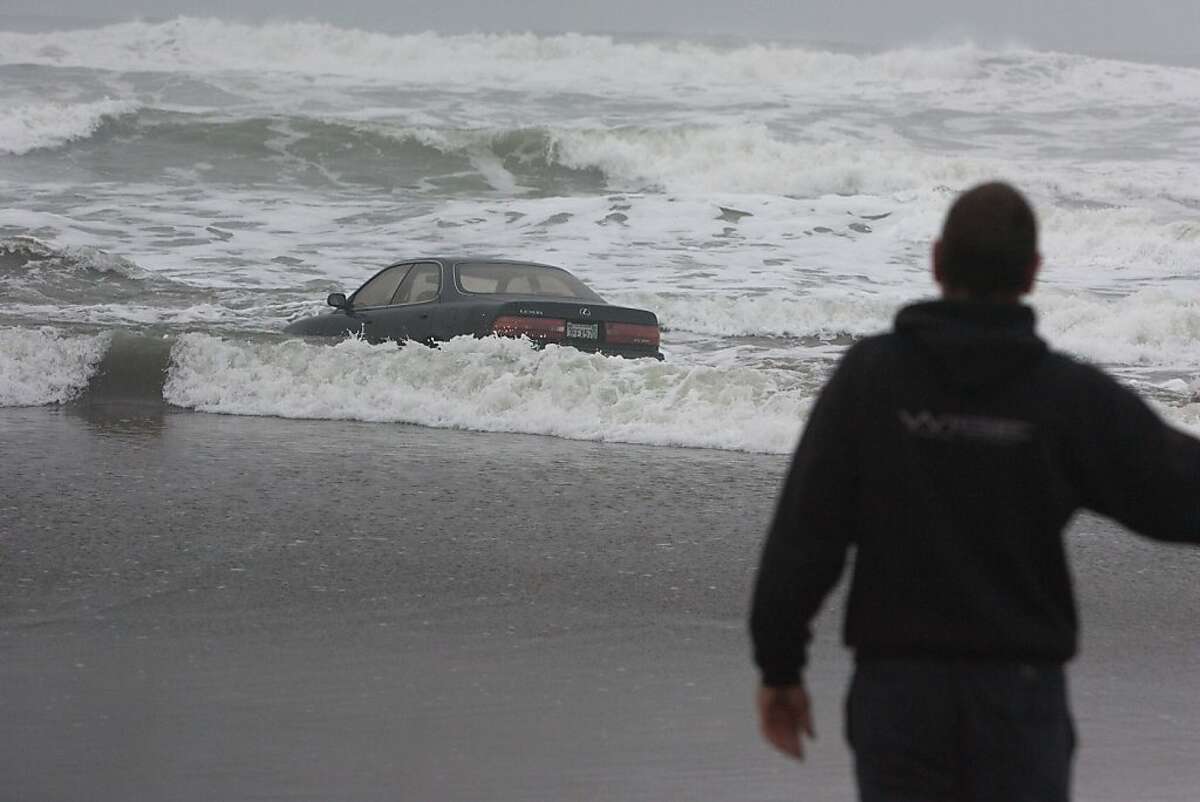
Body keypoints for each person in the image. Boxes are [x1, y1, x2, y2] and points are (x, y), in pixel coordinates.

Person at [748, 182, 1200, 802]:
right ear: (1033, 273)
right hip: (1018, 696)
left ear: (936, 261)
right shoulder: (1064, 397)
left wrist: (780, 668)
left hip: (898, 692)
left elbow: (806, 535)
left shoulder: (872, 380)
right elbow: (1177, 490)